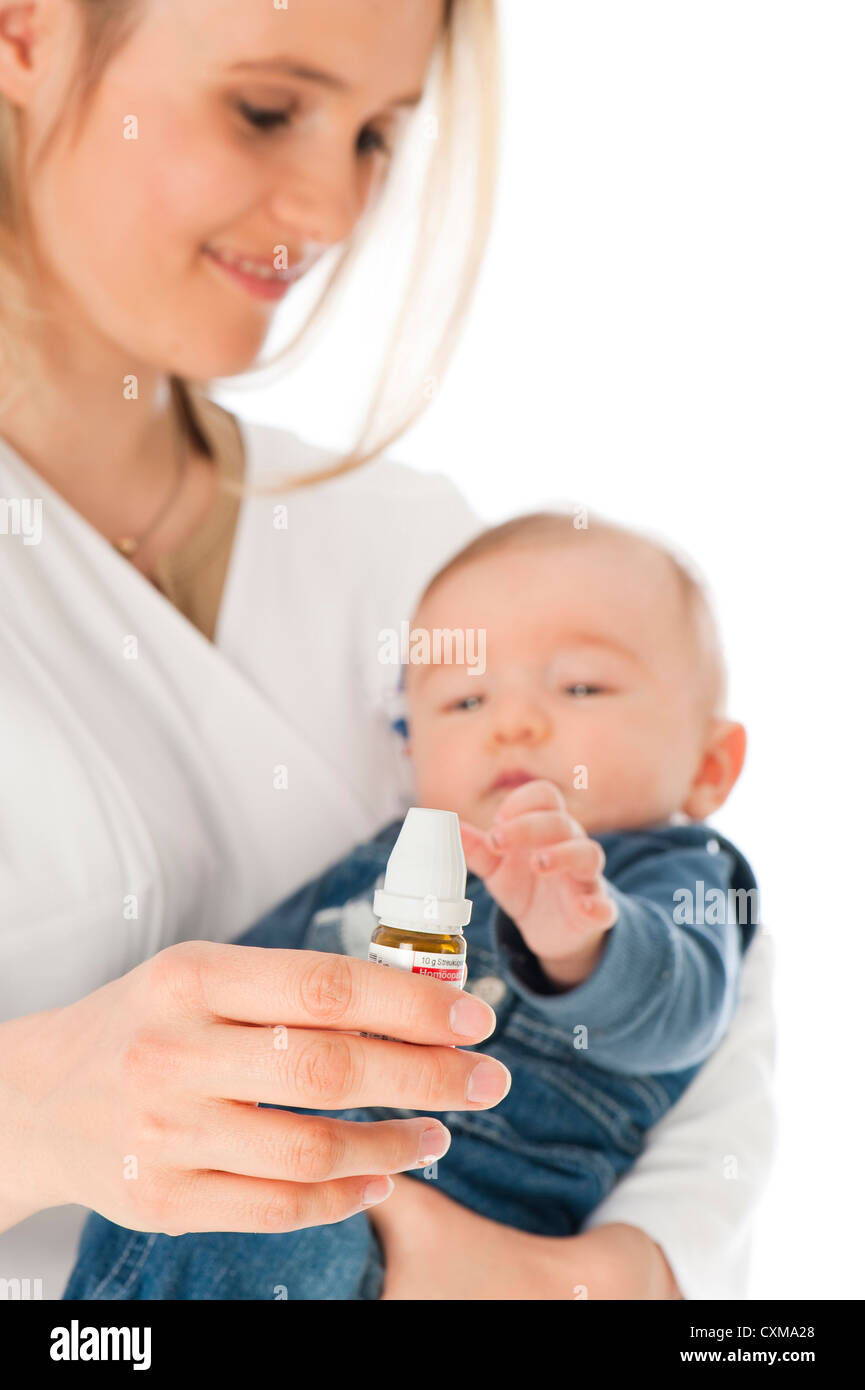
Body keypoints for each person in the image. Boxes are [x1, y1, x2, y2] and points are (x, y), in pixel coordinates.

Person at [0, 0, 774, 1302]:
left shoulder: (435, 561)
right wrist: (30, 1112)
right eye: (265, 108)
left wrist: (570, 1282)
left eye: (375, 136)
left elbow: (713, 1045)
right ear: (24, 29)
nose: (330, 205)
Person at [63, 510, 765, 1299]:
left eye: (579, 686)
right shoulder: (382, 862)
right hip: (277, 1180)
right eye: (465, 702)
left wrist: (581, 940)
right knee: (189, 1189)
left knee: (271, 1224)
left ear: (709, 766)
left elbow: (680, 1011)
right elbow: (219, 998)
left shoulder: (678, 877)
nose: (512, 723)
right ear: (409, 745)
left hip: (450, 1238)